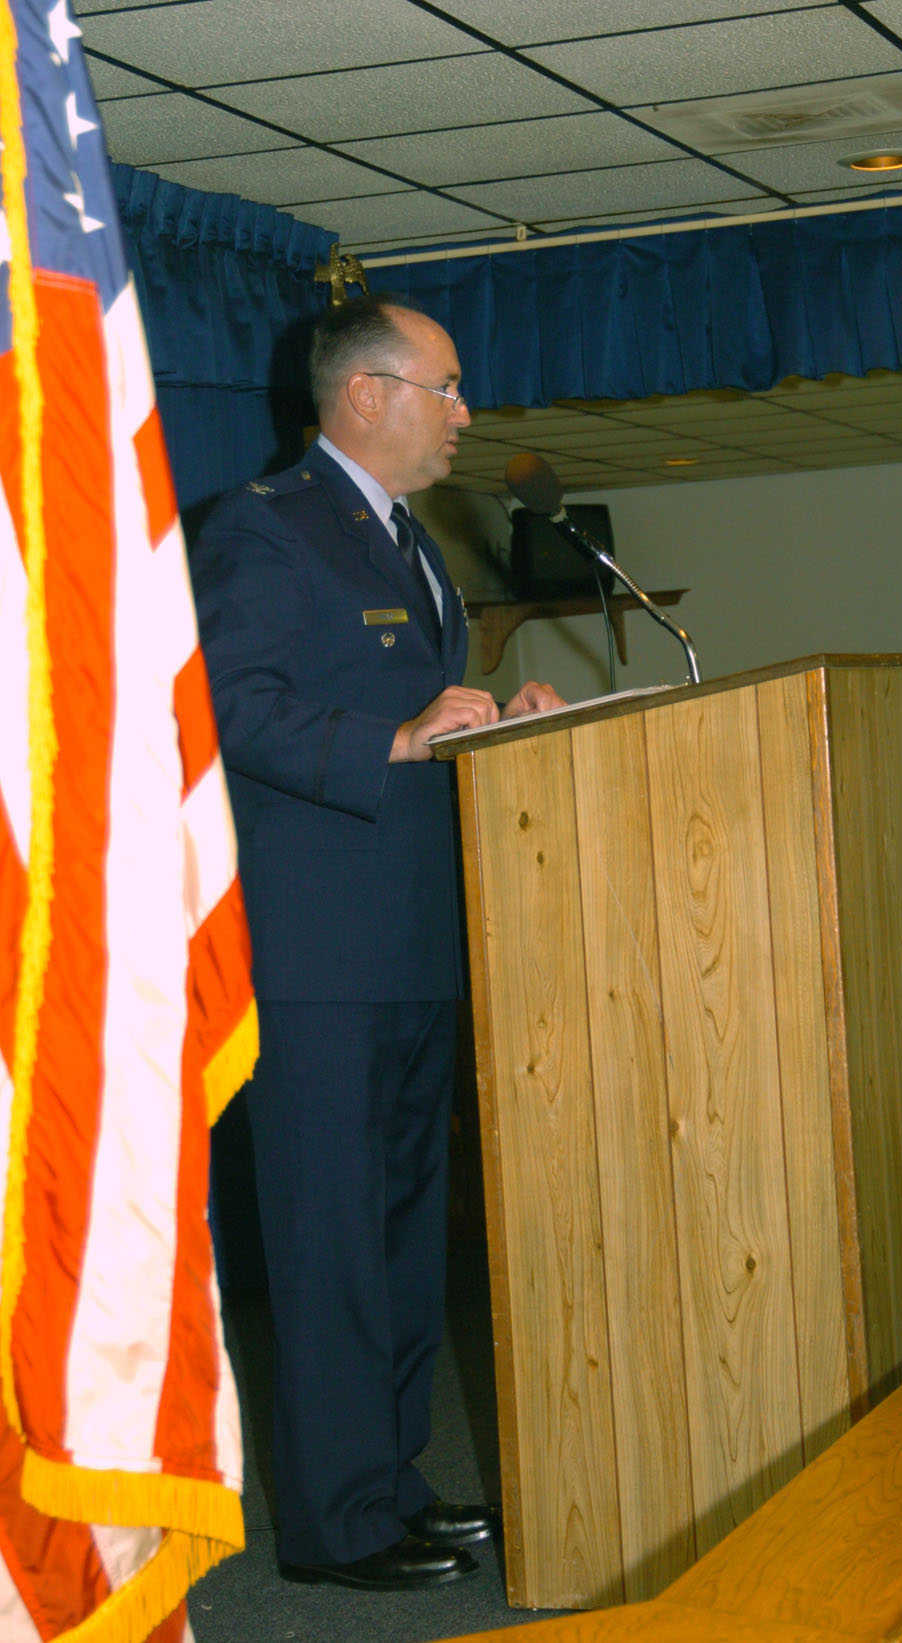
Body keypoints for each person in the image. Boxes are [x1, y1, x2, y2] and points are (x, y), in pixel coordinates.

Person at [189, 294, 563, 1592]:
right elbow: (228, 704)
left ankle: (392, 1484)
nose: (466, 413)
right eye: (445, 387)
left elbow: (413, 712)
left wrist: (497, 724)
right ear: (366, 395)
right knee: (331, 1244)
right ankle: (335, 1524)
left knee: (404, 1239)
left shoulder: (407, 539)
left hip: (412, 949)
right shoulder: (263, 527)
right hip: (317, 963)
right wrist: (394, 740)